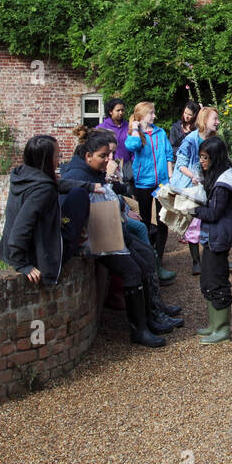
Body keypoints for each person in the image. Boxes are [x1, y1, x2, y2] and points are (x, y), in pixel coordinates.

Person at [61, 130, 178, 346]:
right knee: (132, 270)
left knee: (143, 260)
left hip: (111, 234)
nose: (108, 160)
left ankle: (151, 317)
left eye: (109, 156)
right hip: (97, 241)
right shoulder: (77, 176)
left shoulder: (92, 172)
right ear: (88, 156)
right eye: (103, 156)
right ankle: (139, 330)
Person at [0, 135, 90, 287]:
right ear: (46, 160)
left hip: (25, 249)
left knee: (78, 191)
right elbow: (22, 225)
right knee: (78, 197)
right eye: (57, 156)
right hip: (43, 255)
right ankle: (83, 244)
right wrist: (22, 265)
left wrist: (90, 186)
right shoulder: (43, 189)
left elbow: (56, 184)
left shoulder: (23, 176)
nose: (59, 161)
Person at [173, 106, 232, 277]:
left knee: (208, 221)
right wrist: (195, 176)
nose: (218, 122)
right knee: (194, 224)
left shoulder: (213, 139)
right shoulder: (190, 140)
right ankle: (197, 262)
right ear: (205, 120)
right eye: (215, 119)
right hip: (191, 183)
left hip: (206, 181)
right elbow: (180, 163)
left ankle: (217, 258)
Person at [190, 136, 232, 344]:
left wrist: (191, 209)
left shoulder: (223, 184)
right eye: (201, 157)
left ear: (216, 158)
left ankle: (222, 329)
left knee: (217, 280)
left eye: (205, 158)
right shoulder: (217, 175)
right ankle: (214, 324)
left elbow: (213, 213)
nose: (202, 162)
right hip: (214, 236)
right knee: (208, 279)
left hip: (219, 237)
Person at [124, 101, 176, 283]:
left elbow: (169, 154)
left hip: (161, 183)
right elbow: (131, 146)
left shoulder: (160, 132)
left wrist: (169, 177)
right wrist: (136, 128)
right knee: (144, 222)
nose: (154, 116)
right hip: (143, 183)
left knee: (163, 221)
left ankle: (159, 260)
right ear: (142, 115)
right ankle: (149, 260)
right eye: (151, 113)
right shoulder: (135, 134)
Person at [95, 98, 134, 170]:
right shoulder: (102, 127)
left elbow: (133, 147)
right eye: (118, 110)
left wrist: (132, 162)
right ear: (110, 111)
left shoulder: (129, 127)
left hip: (127, 167)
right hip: (107, 166)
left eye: (122, 110)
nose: (121, 112)